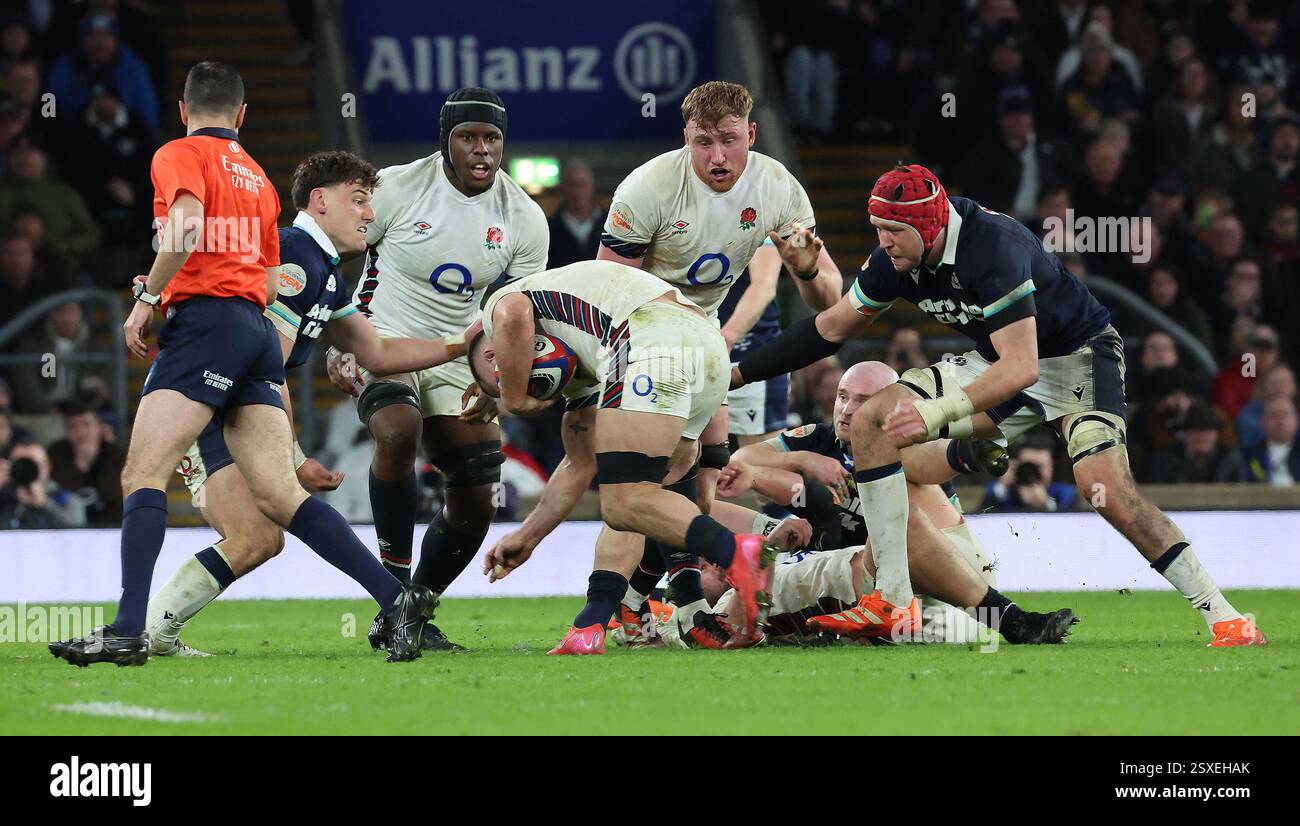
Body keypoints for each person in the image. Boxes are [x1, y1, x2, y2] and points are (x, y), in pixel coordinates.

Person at [731, 163, 1267, 647]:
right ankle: (893, 599)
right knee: (873, 420)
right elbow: (830, 328)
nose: (884, 243)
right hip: (1000, 357)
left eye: (894, 231)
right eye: (878, 230)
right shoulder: (893, 258)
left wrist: (936, 414)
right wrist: (735, 372)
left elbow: (1024, 367)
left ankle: (1225, 616)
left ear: (932, 225)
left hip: (1075, 356)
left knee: (1107, 493)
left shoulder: (994, 247)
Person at [50, 62, 435, 667]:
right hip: (253, 332)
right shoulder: (258, 178)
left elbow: (184, 222)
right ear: (243, 116)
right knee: (281, 494)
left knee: (140, 473)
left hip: (207, 329)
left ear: (182, 110)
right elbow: (258, 273)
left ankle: (128, 628)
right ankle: (397, 595)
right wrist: (177, 285)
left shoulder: (179, 153)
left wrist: (151, 298)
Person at [143, 149, 470, 657]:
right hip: (210, 406)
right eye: (358, 200)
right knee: (274, 512)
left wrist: (459, 344)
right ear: (319, 201)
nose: (370, 214)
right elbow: (260, 365)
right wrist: (290, 457)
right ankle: (397, 599)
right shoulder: (292, 253)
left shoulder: (324, 270)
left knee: (259, 538)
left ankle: (150, 634)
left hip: (232, 407)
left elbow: (378, 352)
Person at [595, 80, 830, 640]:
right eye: (703, 143)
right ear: (686, 138)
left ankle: (641, 607)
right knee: (646, 484)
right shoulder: (648, 188)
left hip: (700, 344)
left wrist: (809, 268)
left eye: (729, 140)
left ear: (751, 133)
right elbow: (604, 292)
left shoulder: (777, 188)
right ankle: (653, 609)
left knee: (701, 488)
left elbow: (827, 304)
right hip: (641, 338)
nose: (717, 156)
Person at [328, 87, 548, 652]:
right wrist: (334, 339)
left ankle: (417, 608)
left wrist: (504, 385)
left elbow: (522, 314)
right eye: (468, 138)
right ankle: (393, 595)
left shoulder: (524, 218)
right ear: (445, 142)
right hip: (381, 339)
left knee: (478, 493)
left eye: (492, 138)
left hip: (459, 354)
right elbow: (326, 255)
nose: (481, 150)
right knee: (398, 431)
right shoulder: (395, 188)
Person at [473, 260, 776, 651]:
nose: (533, 388)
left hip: (646, 339)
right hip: (705, 347)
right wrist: (528, 537)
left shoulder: (500, 307)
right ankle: (598, 624)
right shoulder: (583, 354)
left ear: (494, 354)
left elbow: (512, 313)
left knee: (624, 501)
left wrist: (512, 399)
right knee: (651, 497)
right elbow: (579, 465)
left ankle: (737, 553)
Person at [712, 361, 1072, 646]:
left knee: (899, 483)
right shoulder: (819, 440)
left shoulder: (900, 439)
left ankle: (965, 451)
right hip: (883, 588)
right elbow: (744, 458)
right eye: (842, 396)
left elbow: (924, 461)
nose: (848, 410)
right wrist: (802, 460)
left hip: (950, 578)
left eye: (864, 402)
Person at [47, 399, 126, 525]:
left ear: (99, 427)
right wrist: (79, 465)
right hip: (66, 528)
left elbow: (117, 496)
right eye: (73, 426)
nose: (81, 432)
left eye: (86, 424)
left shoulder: (117, 456)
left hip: (111, 527)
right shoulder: (55, 454)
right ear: (66, 431)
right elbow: (53, 493)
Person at [1, 441, 85, 529]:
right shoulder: (5, 498)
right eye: (20, 465)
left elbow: (78, 534)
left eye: (34, 465)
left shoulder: (66, 499)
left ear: (48, 467)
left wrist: (45, 504)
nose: (27, 471)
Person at [546, 158, 602, 268]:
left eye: (582, 184)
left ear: (592, 187)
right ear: (563, 188)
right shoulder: (548, 230)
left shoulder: (609, 227)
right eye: (571, 184)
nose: (577, 191)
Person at [1243, 397, 1300, 485]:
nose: (1280, 419)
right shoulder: (1247, 454)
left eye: (1285, 414)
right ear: (1262, 422)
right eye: (1273, 414)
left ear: (1297, 421)